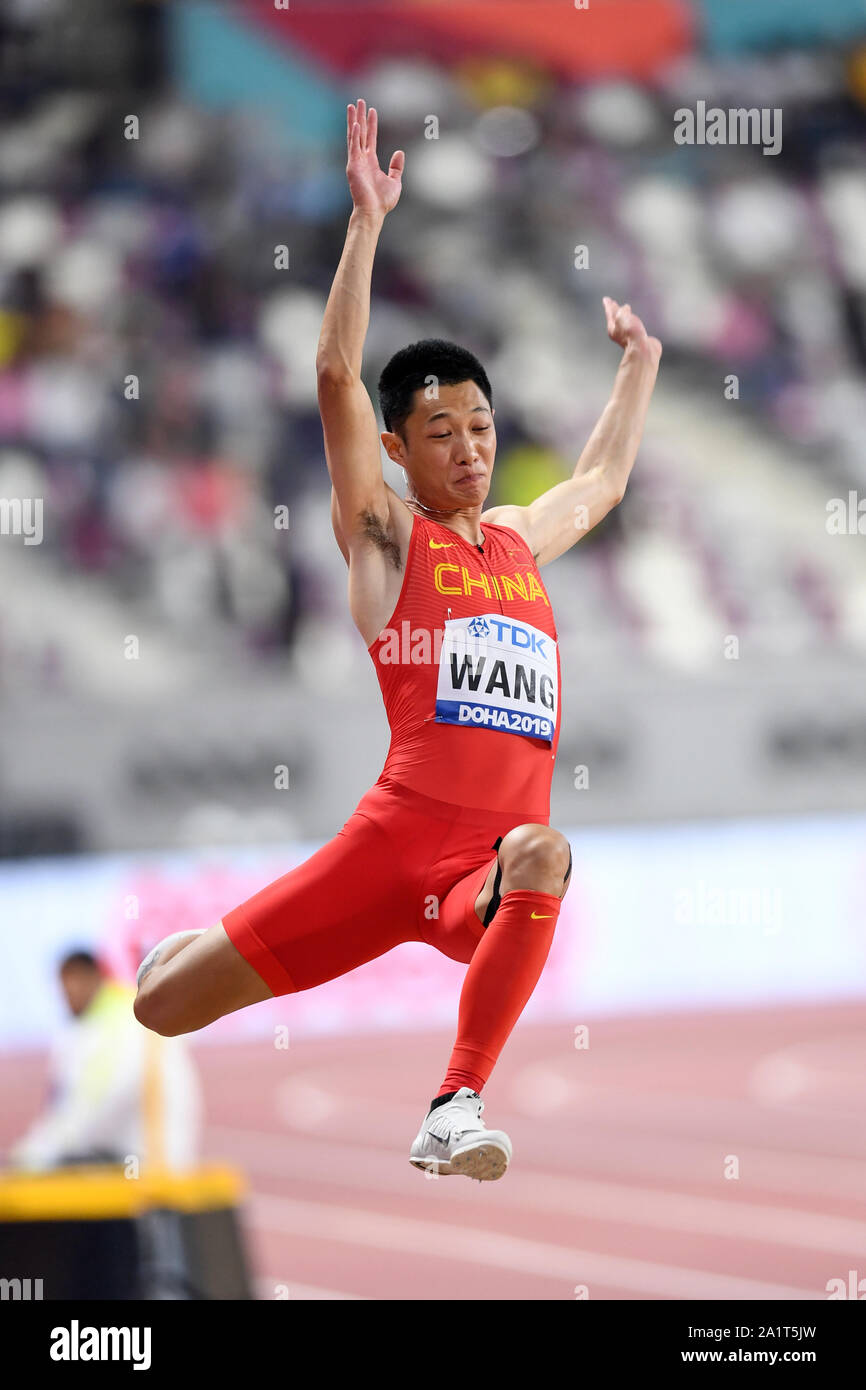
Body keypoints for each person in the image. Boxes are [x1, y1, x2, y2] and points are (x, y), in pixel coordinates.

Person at [134, 99, 661, 1182]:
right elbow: (332, 377)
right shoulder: (383, 538)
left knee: (546, 853)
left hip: (484, 867)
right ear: (396, 448)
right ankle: (181, 952)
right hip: (387, 849)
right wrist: (367, 222)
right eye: (441, 432)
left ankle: (452, 1100)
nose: (469, 450)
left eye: (480, 426)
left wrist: (639, 365)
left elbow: (601, 482)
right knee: (159, 1009)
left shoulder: (515, 538)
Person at [9, 949, 201, 1173]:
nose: (66, 995)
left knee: (53, 1175)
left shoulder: (119, 1025)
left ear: (93, 978)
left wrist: (33, 1155)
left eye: (71, 985)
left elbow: (91, 1104)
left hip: (145, 1164)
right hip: (146, 1157)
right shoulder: (110, 1021)